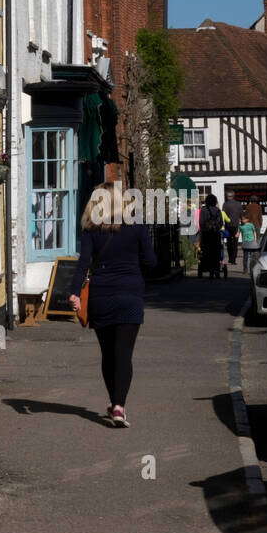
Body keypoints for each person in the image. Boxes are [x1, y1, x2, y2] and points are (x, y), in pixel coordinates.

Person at [68, 183, 157, 428]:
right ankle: (119, 406)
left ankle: (114, 402)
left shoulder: (91, 229)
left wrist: (75, 293)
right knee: (124, 354)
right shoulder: (136, 226)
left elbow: (83, 263)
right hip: (130, 295)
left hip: (101, 296)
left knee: (108, 354)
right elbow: (151, 261)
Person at [198, 194, 224, 279]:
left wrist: (204, 229)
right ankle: (216, 269)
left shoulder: (203, 210)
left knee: (206, 251)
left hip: (206, 235)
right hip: (215, 235)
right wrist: (216, 228)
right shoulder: (218, 210)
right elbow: (221, 223)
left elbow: (201, 222)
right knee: (216, 252)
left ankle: (206, 267)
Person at [241, 197, 262, 273]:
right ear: (256, 200)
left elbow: (246, 216)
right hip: (257, 225)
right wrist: (260, 225)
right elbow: (260, 217)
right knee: (256, 242)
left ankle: (245, 269)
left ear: (250, 200)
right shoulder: (259, 207)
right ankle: (255, 259)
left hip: (249, 226)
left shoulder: (247, 207)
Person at [222, 192, 243, 266]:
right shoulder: (238, 204)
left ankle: (230, 258)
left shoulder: (225, 204)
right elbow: (241, 215)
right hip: (236, 225)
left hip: (228, 225)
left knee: (229, 242)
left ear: (228, 196)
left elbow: (223, 215)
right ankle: (233, 259)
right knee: (235, 243)